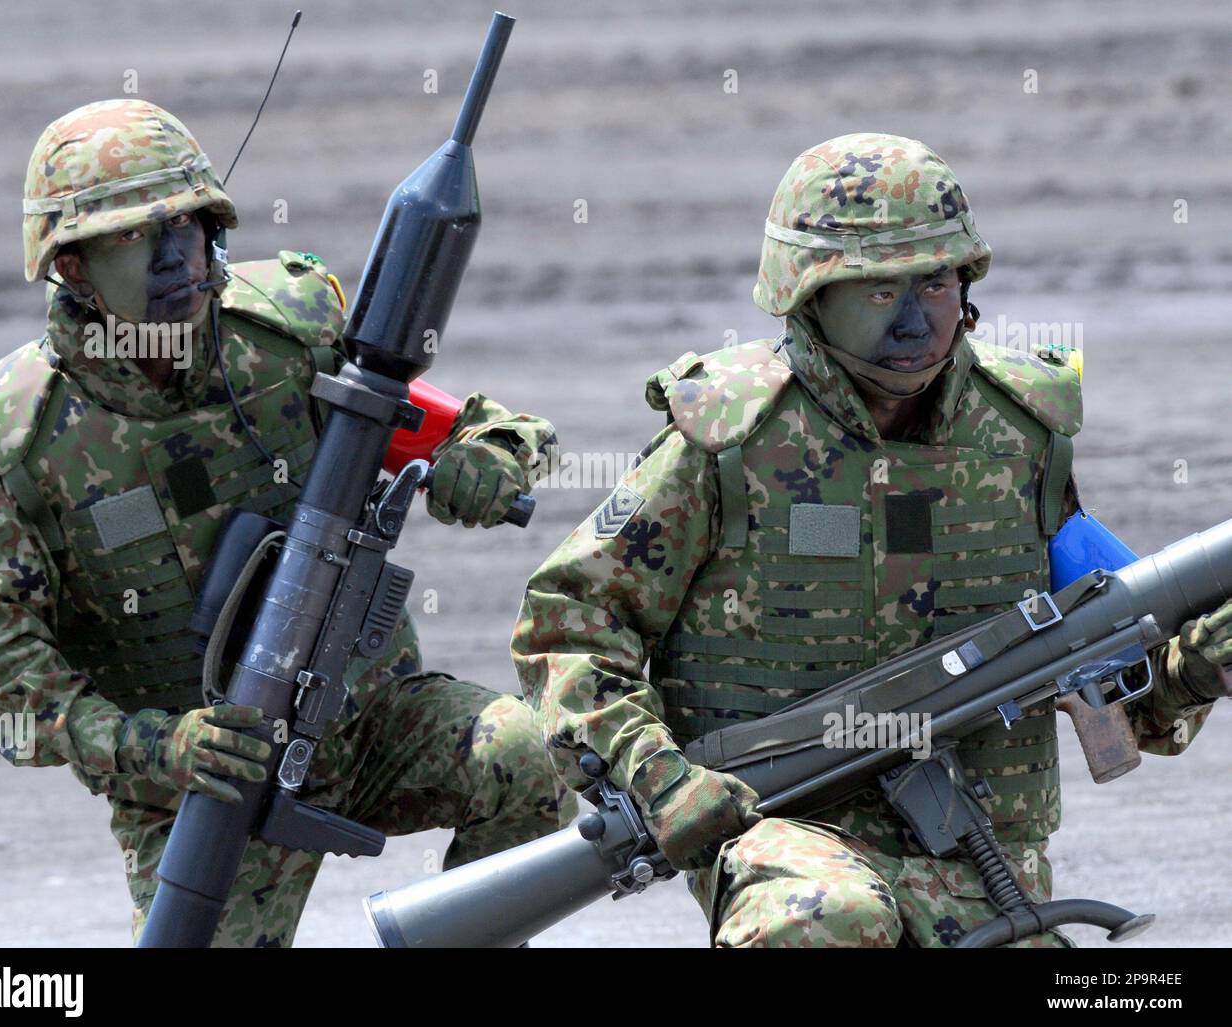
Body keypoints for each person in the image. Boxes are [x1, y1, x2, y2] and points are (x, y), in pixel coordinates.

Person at [511, 132, 1231, 947]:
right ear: (809, 293)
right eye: (878, 290)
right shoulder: (729, 445)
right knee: (834, 922)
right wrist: (659, 777)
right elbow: (568, 623)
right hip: (782, 833)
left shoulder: (1020, 437)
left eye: (935, 280)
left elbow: (1122, 677)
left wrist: (1196, 667)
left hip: (976, 852)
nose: (919, 316)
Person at [0, 99, 572, 947]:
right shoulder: (30, 441)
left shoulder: (285, 338)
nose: (174, 257)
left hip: (369, 721)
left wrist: (483, 459)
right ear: (72, 268)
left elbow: (482, 426)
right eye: (132, 237)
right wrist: (151, 747)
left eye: (188, 225)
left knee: (525, 757)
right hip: (209, 782)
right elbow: (1, 673)